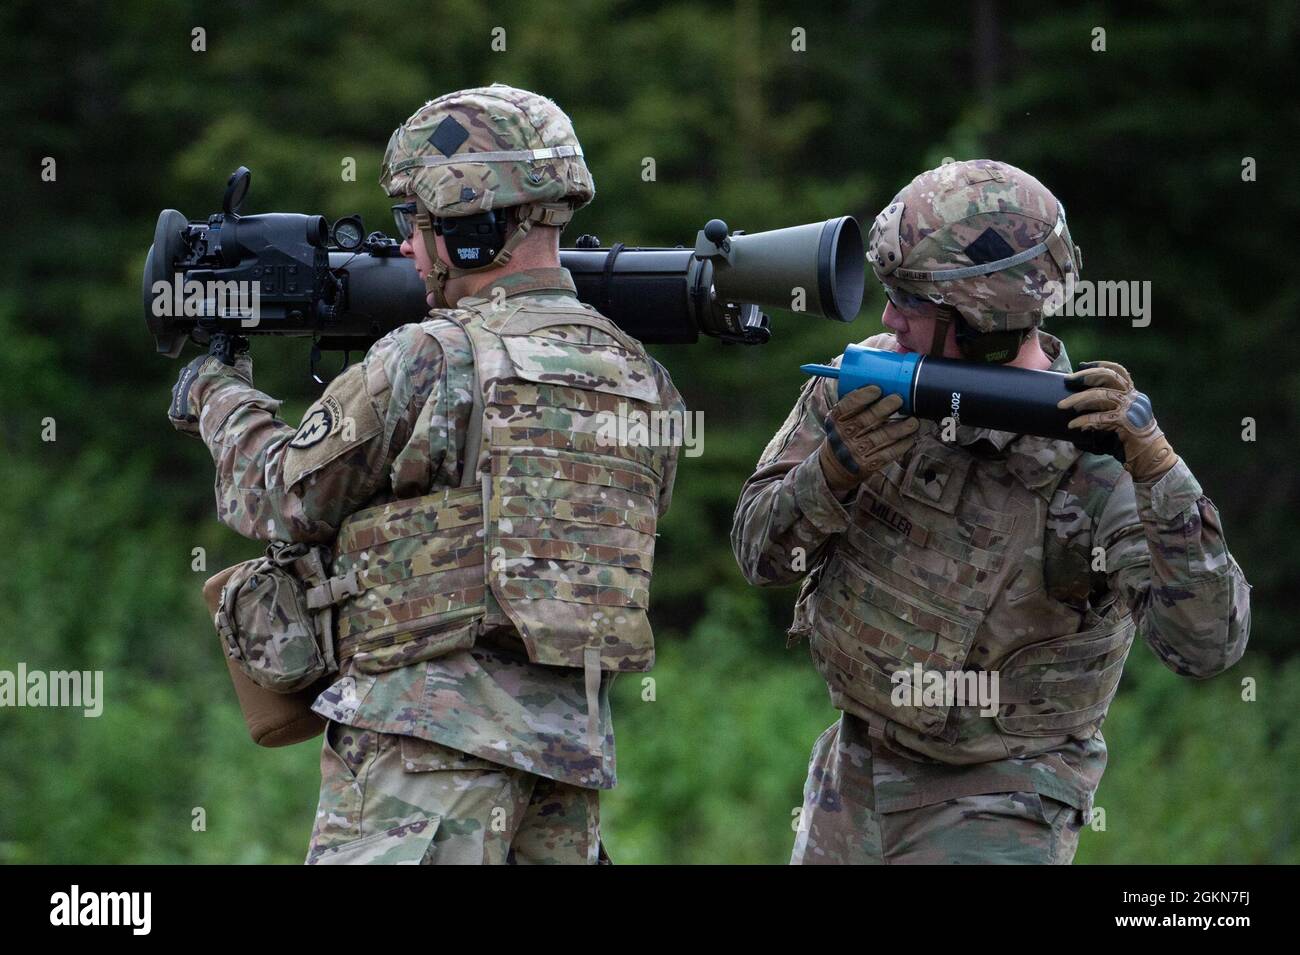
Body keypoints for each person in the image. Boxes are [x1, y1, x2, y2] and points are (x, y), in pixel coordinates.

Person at [169, 84, 684, 864]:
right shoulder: (642, 379)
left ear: (472, 230)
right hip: (568, 764)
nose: (408, 248)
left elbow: (279, 496)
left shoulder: (433, 357)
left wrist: (215, 388)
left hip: (425, 755)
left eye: (419, 225)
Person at [731, 159, 1250, 864]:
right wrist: (833, 471)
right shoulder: (869, 389)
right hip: (854, 768)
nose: (887, 319)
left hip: (1003, 793)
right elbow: (758, 554)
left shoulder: (1097, 462)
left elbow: (1206, 645)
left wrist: (1159, 469)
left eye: (910, 302)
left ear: (981, 322)